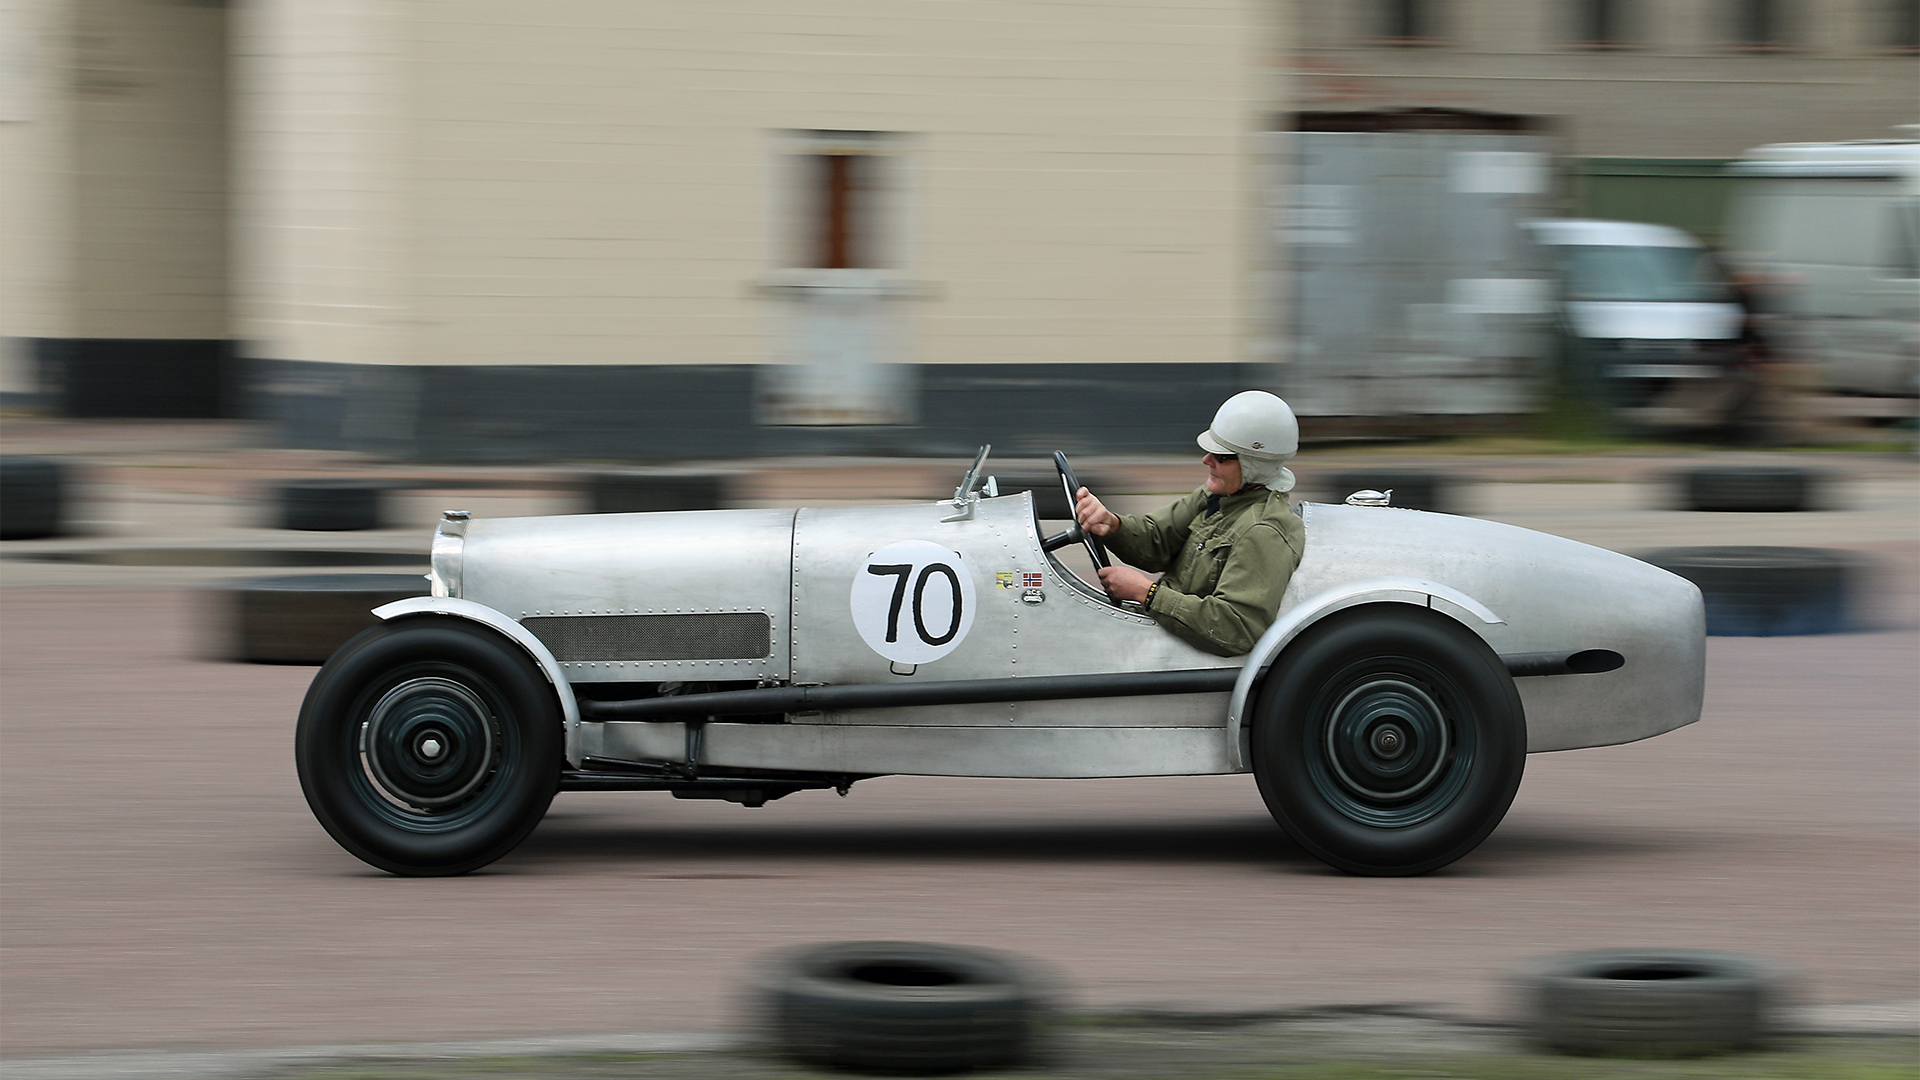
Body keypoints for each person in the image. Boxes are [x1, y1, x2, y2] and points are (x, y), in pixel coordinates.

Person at [1072, 390, 1305, 657]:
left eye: (1221, 456)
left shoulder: (1263, 531)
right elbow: (1157, 538)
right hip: (1164, 636)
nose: (1206, 461)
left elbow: (1236, 627)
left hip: (1186, 657)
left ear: (1255, 464)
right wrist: (1112, 525)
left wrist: (1145, 593)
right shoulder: (1217, 497)